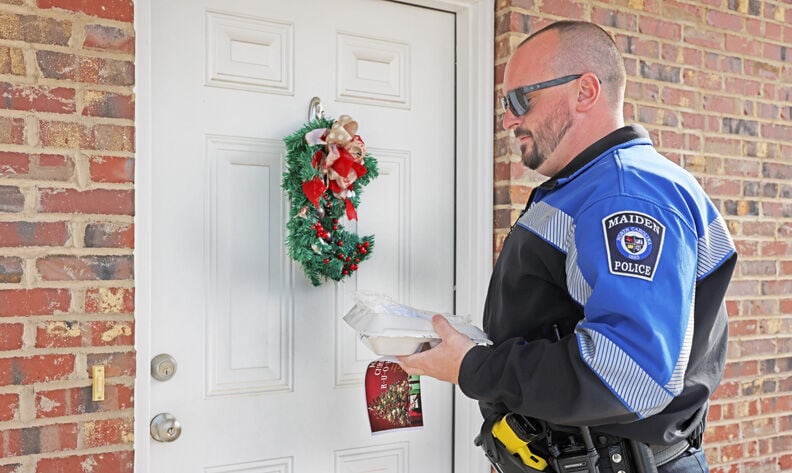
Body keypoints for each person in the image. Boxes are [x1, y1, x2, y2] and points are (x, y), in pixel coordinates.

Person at [398, 20, 737, 473]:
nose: (508, 119)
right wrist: (473, 347)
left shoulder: (622, 195)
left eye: (522, 99)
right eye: (505, 104)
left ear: (585, 92)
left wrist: (474, 365)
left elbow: (630, 374)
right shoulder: (586, 187)